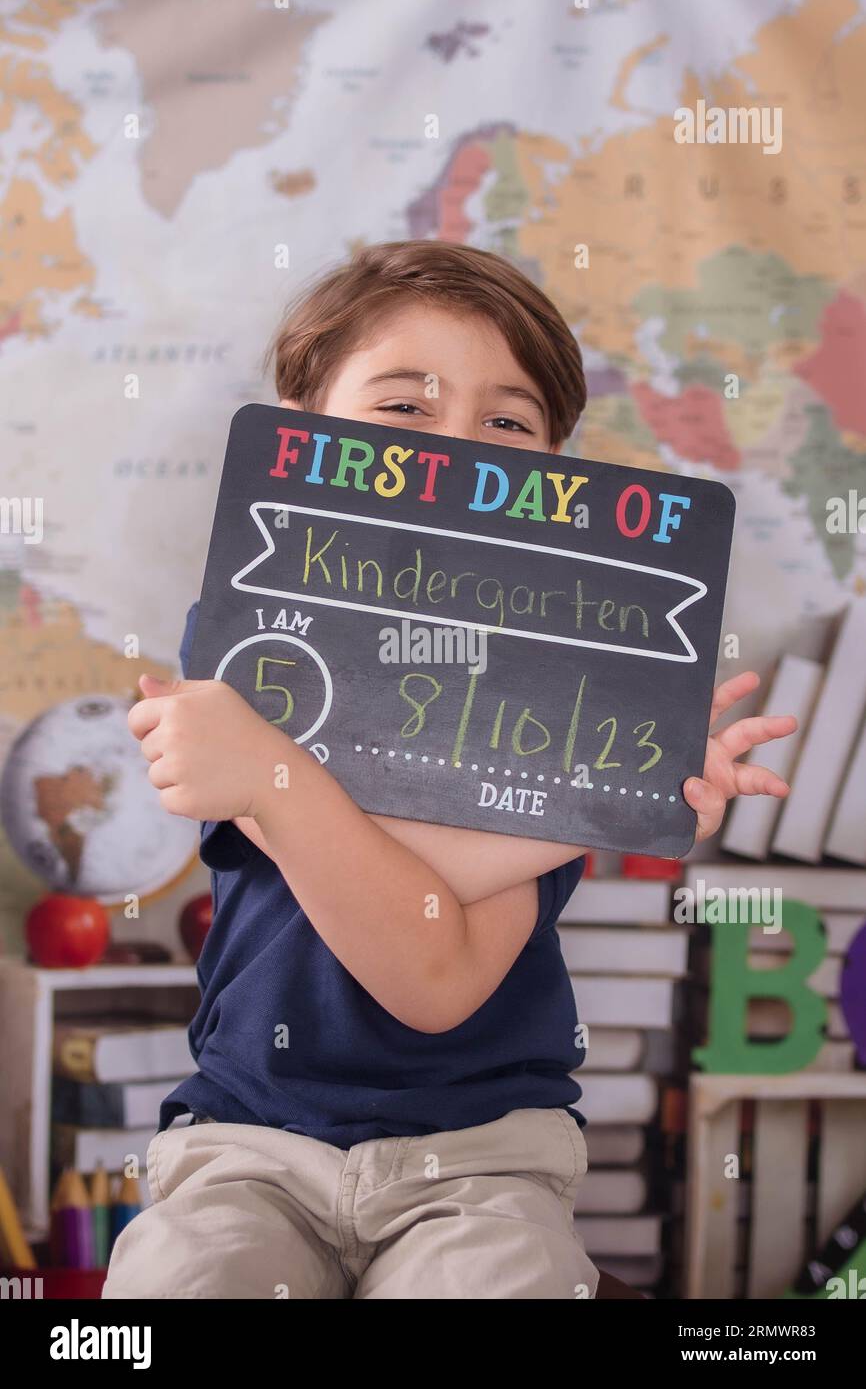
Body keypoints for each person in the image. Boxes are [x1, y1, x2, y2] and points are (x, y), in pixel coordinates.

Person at [103, 241, 796, 1300]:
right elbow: (392, 877)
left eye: (507, 424)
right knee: (179, 1284)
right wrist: (585, 807)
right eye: (403, 408)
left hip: (484, 1162)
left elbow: (432, 978)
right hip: (248, 1145)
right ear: (299, 429)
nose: (459, 454)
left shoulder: (563, 686)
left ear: (556, 468)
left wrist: (605, 795)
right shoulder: (247, 634)